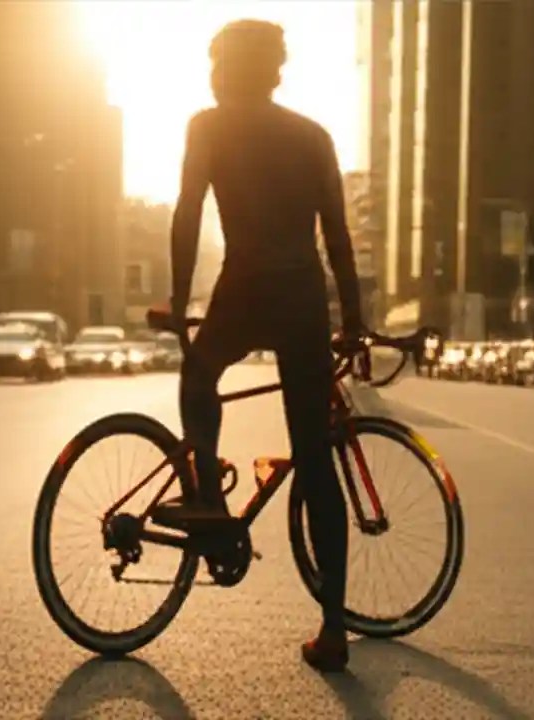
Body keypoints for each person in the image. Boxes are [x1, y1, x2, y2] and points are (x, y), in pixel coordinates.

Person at [156, 19, 362, 673]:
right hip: (301, 297)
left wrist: (179, 300)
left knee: (198, 375)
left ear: (228, 70)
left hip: (243, 287)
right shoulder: (312, 136)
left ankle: (209, 499)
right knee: (316, 460)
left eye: (216, 64)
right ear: (274, 71)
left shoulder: (209, 125)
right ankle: (334, 628)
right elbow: (338, 238)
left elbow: (187, 211)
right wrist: (352, 319)